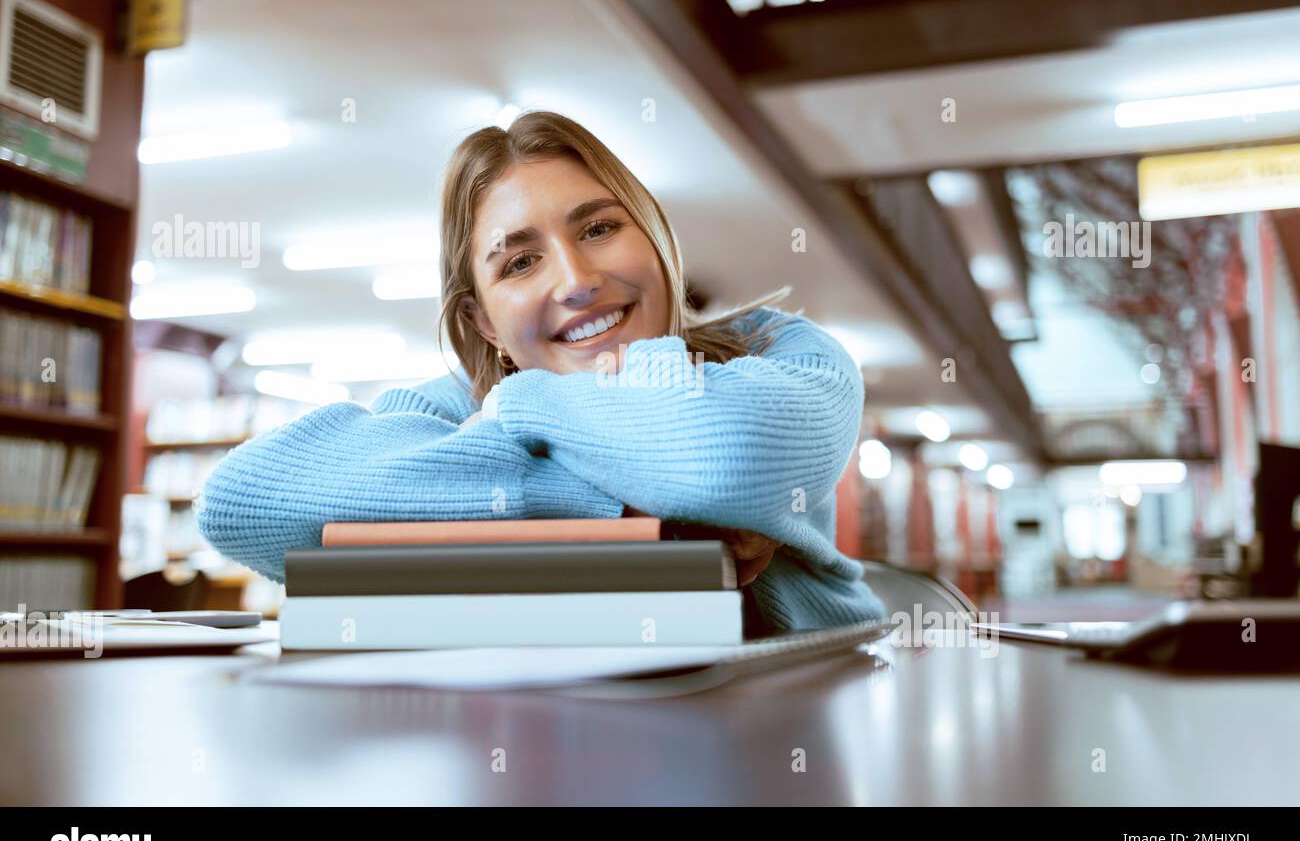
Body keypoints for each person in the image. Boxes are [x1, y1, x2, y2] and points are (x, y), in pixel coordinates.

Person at [197, 110, 886, 633]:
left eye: (598, 228)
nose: (577, 279)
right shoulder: (453, 401)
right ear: (484, 322)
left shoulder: (781, 351)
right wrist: (642, 504)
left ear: (657, 238)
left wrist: (525, 407)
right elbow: (241, 504)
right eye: (520, 261)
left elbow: (723, 461)